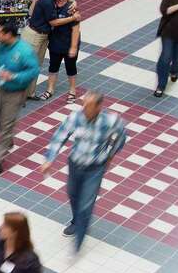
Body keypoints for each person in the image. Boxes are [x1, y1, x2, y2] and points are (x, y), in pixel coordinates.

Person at [40, 92, 126, 250]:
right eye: (83, 104)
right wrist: (49, 159)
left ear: (99, 107)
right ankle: (76, 220)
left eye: (89, 106)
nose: (84, 109)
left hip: (95, 167)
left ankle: (78, 241)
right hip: (75, 164)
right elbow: (59, 137)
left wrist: (109, 157)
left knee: (86, 202)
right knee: (72, 193)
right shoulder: (75, 117)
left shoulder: (112, 121)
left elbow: (121, 138)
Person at [0, 21, 41, 178]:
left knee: (7, 124)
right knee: (1, 118)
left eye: (0, 33)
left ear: (9, 34)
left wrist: (14, 76)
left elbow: (34, 70)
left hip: (15, 92)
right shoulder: (1, 44)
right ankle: (7, 141)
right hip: (1, 88)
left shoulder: (24, 51)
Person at [24, 0, 63, 99]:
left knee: (36, 65)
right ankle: (18, 96)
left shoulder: (51, 0)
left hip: (43, 36)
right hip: (34, 35)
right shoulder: (47, 1)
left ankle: (30, 93)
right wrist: (72, 18)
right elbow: (53, 22)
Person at [43, 0, 82, 102]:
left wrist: (73, 47)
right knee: (53, 67)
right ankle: (50, 89)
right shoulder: (51, 7)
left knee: (70, 68)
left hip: (69, 45)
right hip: (55, 44)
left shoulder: (71, 9)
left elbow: (76, 30)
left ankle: (72, 91)